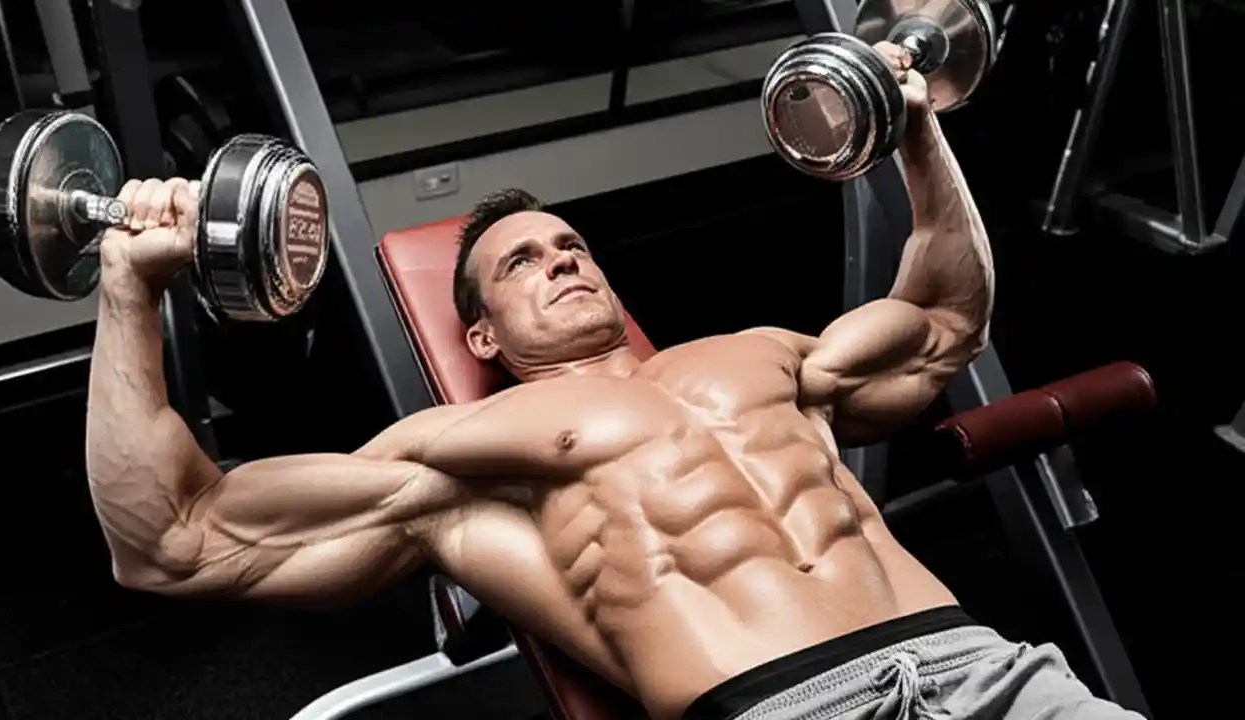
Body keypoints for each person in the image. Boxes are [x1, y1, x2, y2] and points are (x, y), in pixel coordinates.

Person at [84, 44, 1143, 720]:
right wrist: (129, 287)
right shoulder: (460, 463)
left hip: (987, 672)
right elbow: (175, 541)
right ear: (480, 337)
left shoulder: (761, 356)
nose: (561, 260)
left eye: (570, 244)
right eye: (522, 262)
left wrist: (913, 128)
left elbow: (945, 321)